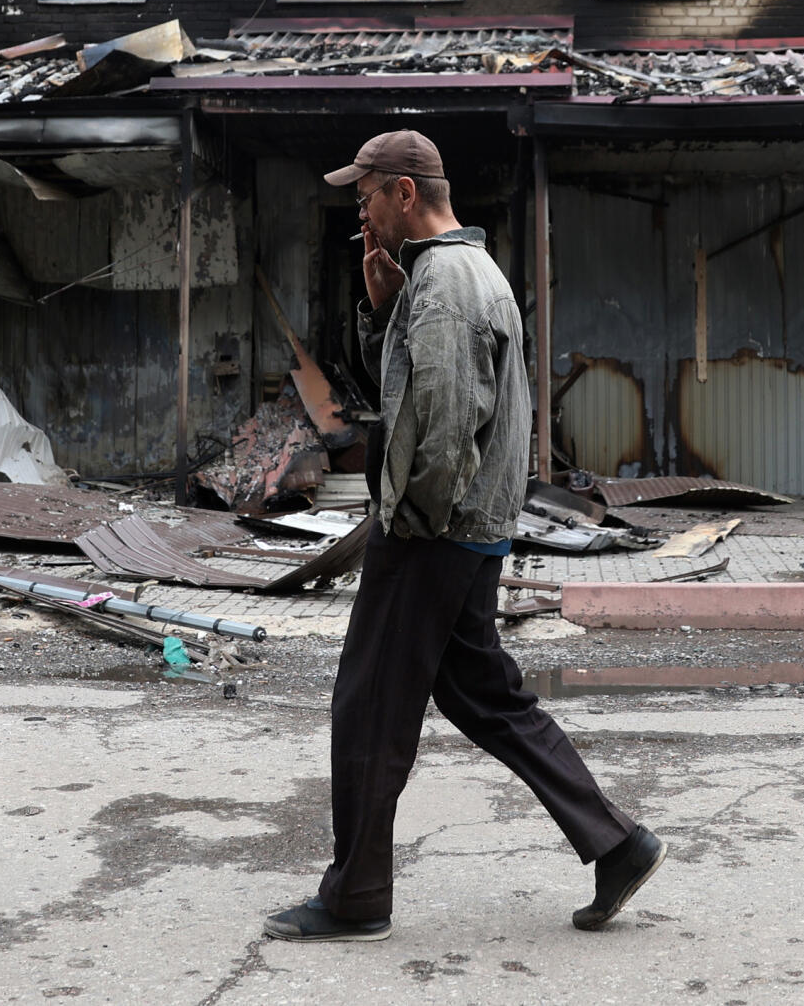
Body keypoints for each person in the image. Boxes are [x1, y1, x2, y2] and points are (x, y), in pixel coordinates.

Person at [262, 129, 663, 943]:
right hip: (476, 527)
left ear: (404, 193)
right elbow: (423, 392)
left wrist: (411, 526)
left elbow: (442, 425)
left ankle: (357, 896)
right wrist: (382, 311)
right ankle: (617, 842)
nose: (362, 211)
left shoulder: (443, 281)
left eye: (368, 194)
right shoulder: (466, 271)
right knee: (484, 695)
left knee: (370, 707)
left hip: (435, 531)